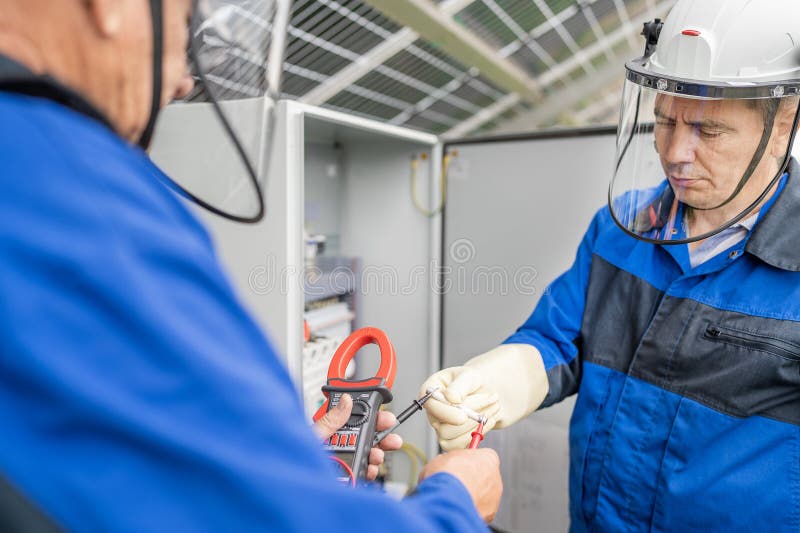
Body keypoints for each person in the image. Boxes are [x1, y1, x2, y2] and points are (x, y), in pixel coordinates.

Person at [0, 0, 502, 531]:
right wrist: (456, 504)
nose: (183, 82)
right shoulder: (74, 188)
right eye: (182, 24)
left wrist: (273, 460)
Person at [422, 0, 800, 531]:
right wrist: (505, 376)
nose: (675, 153)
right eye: (664, 121)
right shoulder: (620, 229)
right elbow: (562, 339)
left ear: (782, 123)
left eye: (709, 131)